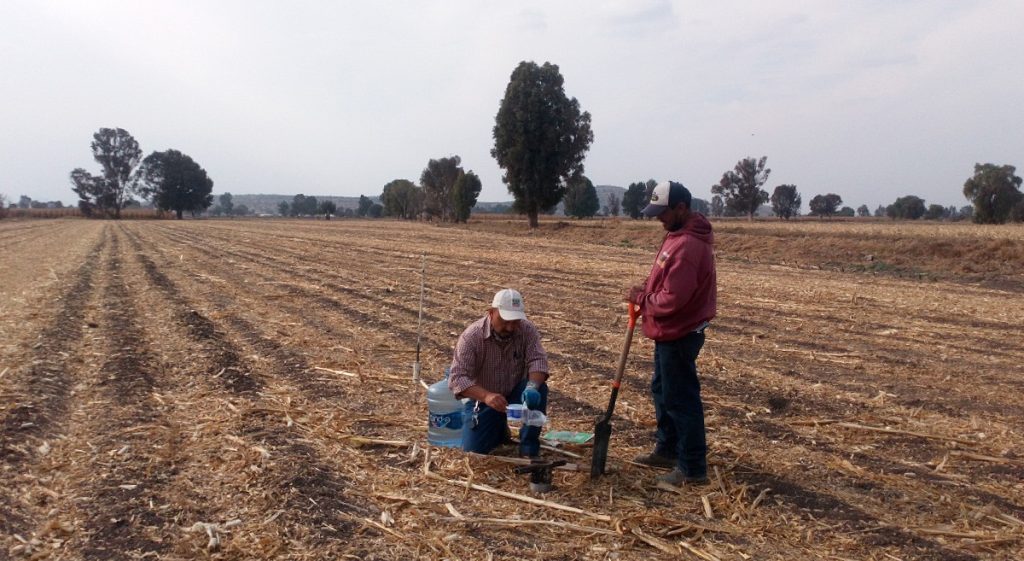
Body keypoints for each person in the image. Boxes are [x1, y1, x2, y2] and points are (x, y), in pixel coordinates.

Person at [628, 180, 717, 486]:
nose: (658, 218)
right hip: (667, 331)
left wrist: (642, 299)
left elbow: (674, 299)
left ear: (681, 208)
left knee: (681, 399)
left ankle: (692, 468)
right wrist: (648, 289)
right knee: (662, 391)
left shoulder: (689, 246)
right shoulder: (675, 234)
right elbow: (667, 282)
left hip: (680, 332)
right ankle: (667, 449)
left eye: (662, 212)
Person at [448, 288, 550, 457]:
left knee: (540, 388)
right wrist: (487, 396)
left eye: (515, 321)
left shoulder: (527, 330)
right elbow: (457, 378)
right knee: (476, 451)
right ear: (491, 312)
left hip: (516, 392)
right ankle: (498, 426)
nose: (510, 327)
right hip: (483, 399)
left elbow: (538, 361)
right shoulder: (472, 337)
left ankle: (528, 446)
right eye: (505, 320)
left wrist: (531, 387)